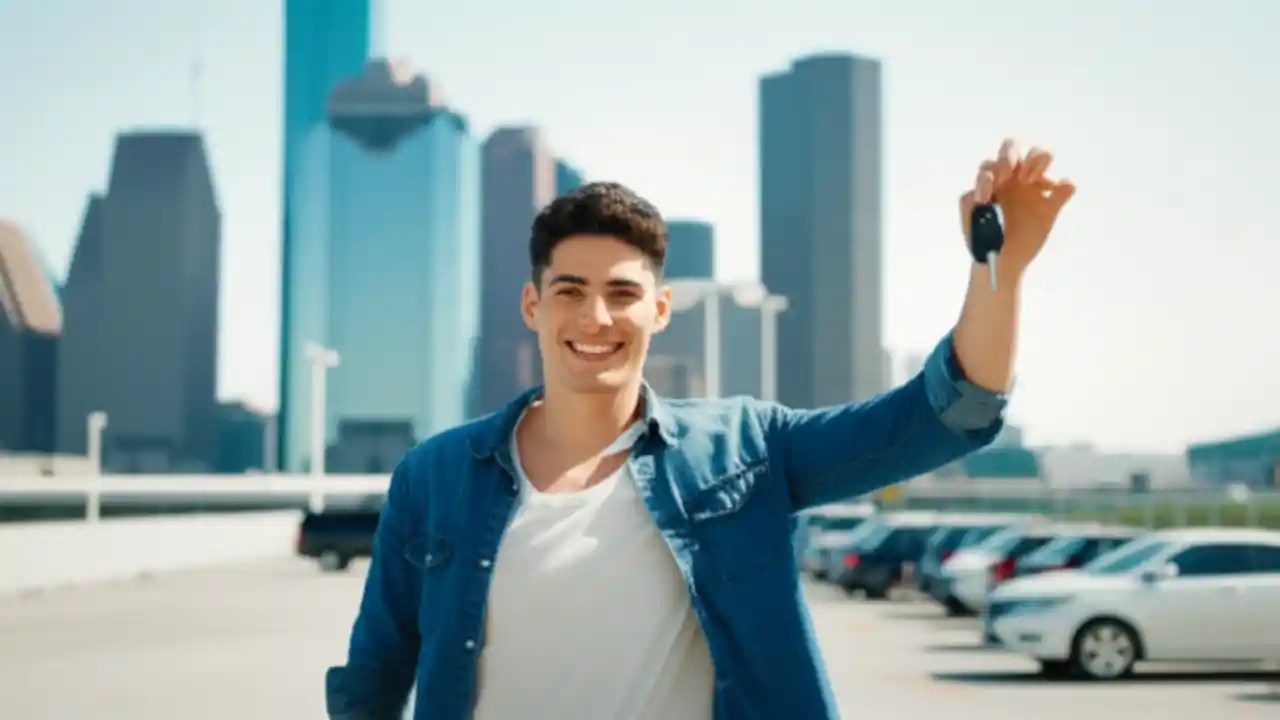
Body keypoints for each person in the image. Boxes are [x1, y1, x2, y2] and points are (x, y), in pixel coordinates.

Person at [325, 138, 1076, 719]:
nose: (596, 317)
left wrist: (1000, 271)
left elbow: (944, 415)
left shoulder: (745, 450)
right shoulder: (435, 476)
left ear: (660, 309)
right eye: (570, 291)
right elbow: (373, 681)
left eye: (623, 293)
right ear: (533, 306)